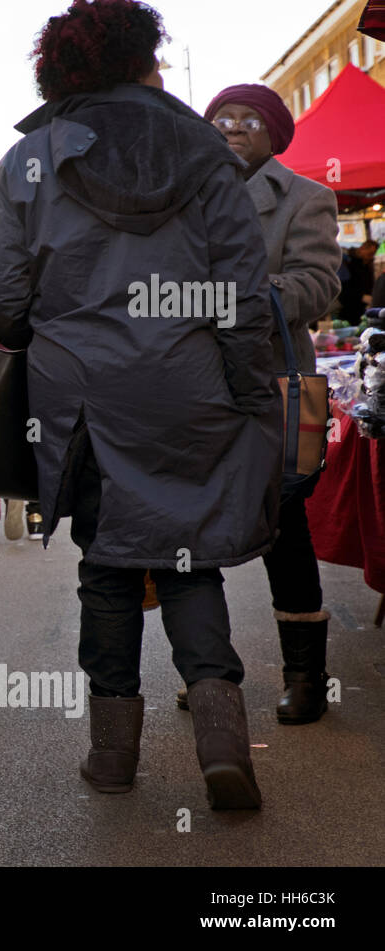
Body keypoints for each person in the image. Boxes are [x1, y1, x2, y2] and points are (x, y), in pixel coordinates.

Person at [0, 0, 282, 810]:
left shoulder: (31, 159)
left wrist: (55, 328)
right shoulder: (206, 154)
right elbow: (245, 298)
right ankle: (221, 742)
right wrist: (253, 402)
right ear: (145, 59)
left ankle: (112, 760)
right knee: (189, 558)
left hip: (81, 403)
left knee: (107, 569)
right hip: (189, 389)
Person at [198, 84, 343, 724]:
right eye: (220, 117)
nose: (231, 126)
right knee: (195, 529)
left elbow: (316, 287)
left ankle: (306, 678)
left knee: (284, 529)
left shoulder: (306, 198)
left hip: (279, 386)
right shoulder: (187, 198)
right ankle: (208, 675)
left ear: (275, 135)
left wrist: (227, 296)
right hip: (197, 388)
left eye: (248, 119)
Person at [338, 240, 379, 324]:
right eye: (369, 254)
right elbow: (344, 290)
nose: (371, 257)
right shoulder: (350, 265)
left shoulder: (367, 267)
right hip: (351, 311)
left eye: (373, 254)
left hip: (365, 310)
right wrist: (361, 296)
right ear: (361, 249)